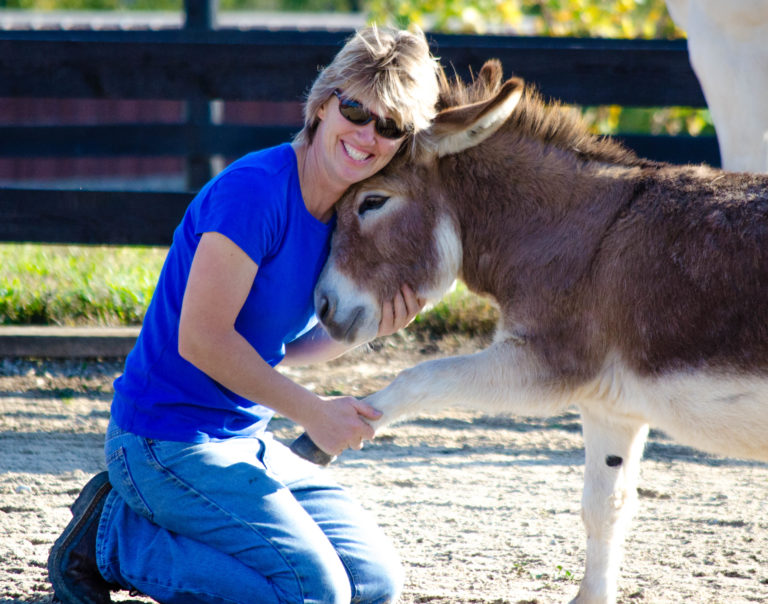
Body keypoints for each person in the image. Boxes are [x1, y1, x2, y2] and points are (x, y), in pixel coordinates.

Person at [48, 25, 441, 604]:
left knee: (374, 584)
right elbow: (202, 341)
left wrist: (372, 331)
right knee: (312, 593)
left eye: (390, 126)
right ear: (323, 103)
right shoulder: (255, 192)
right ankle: (113, 537)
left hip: (244, 439)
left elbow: (279, 352)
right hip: (164, 441)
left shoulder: (341, 218)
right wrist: (315, 413)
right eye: (356, 109)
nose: (367, 134)